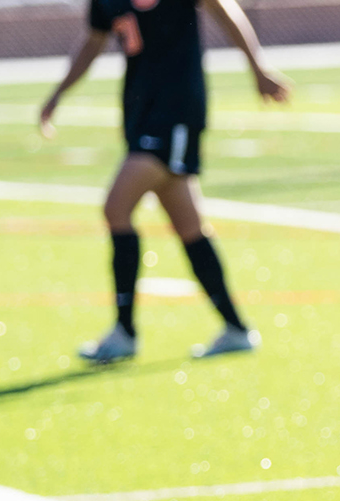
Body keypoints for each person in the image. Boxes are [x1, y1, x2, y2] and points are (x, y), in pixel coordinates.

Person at [40, 0, 288, 365]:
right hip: (141, 112)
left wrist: (257, 67)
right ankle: (236, 329)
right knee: (189, 227)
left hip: (177, 111)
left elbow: (225, 10)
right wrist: (59, 93)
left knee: (116, 207)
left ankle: (125, 331)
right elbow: (92, 43)